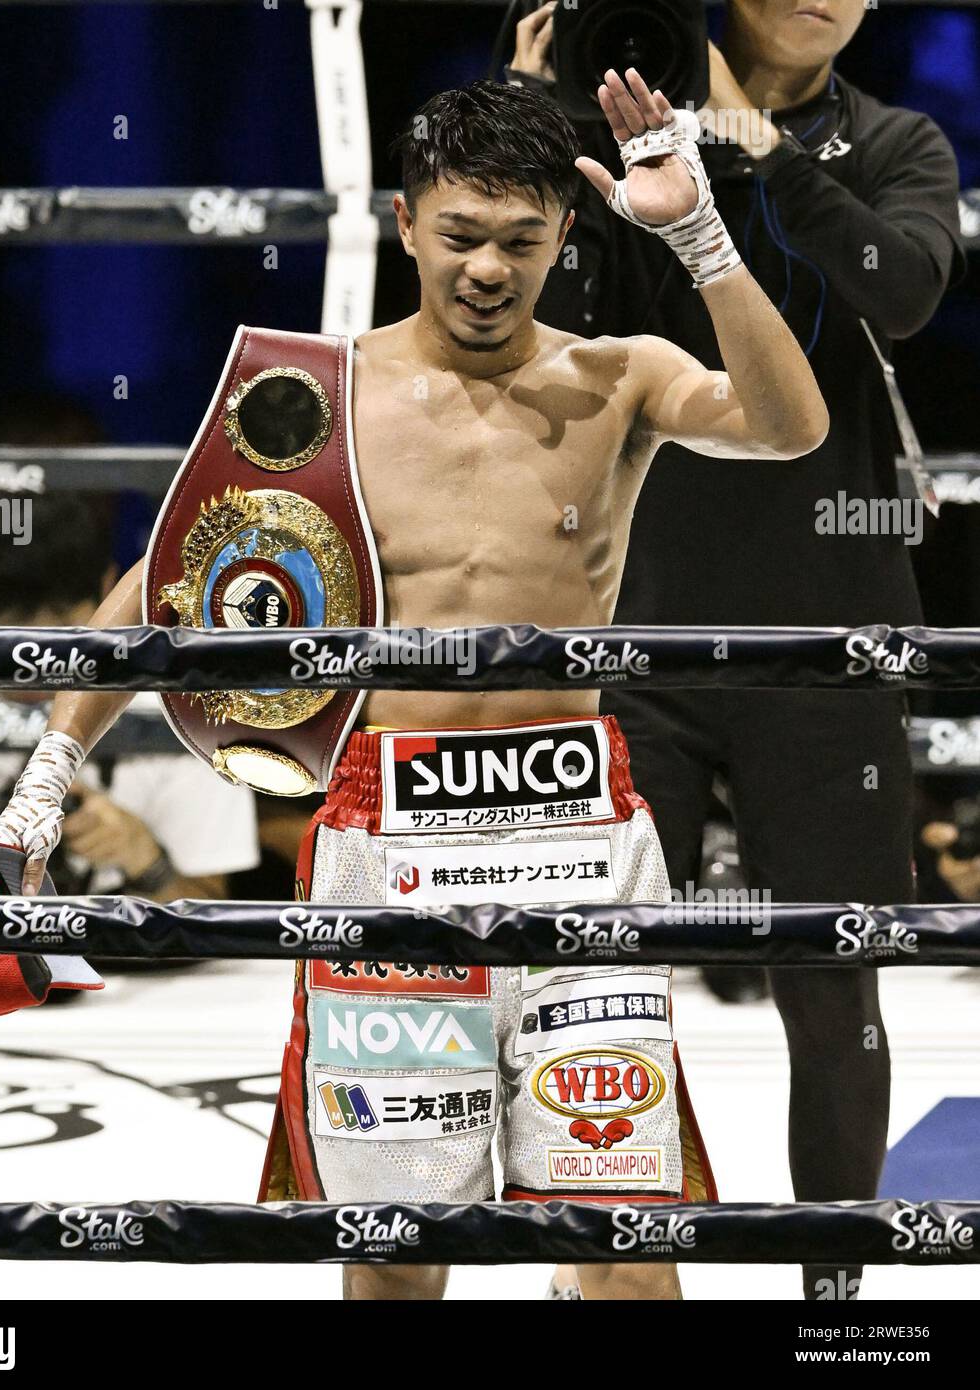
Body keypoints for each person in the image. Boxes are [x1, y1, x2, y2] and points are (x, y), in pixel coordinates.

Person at [0, 74, 827, 1299]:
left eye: (521, 241)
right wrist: (44, 786)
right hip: (389, 834)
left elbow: (788, 424)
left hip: (573, 832)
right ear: (405, 222)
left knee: (629, 1263)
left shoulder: (620, 374)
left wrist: (699, 234)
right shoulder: (317, 393)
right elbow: (160, 584)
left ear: (565, 238)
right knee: (395, 1262)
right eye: (461, 236)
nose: (488, 269)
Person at [509, 0, 965, 1299]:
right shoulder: (601, 123)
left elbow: (903, 286)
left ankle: (832, 1290)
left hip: (825, 629)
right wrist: (540, 110)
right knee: (598, 975)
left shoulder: (891, 142)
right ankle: (604, 1269)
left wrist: (740, 138)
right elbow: (519, 293)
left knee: (833, 989)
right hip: (634, 621)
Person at [0, 482, 258, 908]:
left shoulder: (184, 700)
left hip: (134, 969)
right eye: (8, 642)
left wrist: (145, 858)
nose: (37, 670)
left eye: (61, 635)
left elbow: (210, 906)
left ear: (109, 588)